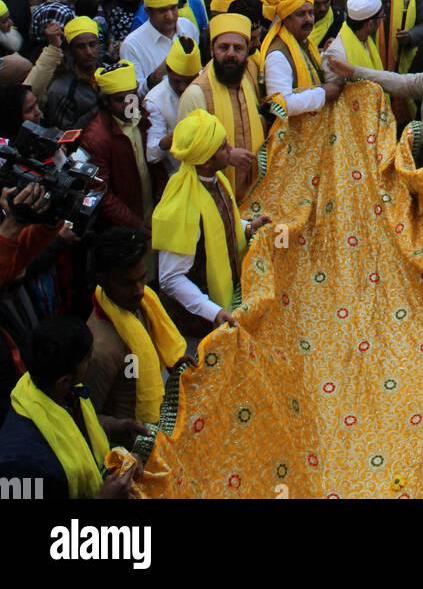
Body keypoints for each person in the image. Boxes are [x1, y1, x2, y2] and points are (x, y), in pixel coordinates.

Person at [153, 110, 271, 341]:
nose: (230, 149)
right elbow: (170, 278)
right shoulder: (182, 207)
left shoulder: (216, 179)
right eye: (223, 146)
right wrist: (212, 311)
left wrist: (248, 226)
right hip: (198, 321)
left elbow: (217, 222)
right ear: (206, 160)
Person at [0, 315, 139, 499]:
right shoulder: (19, 462)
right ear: (64, 381)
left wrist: (119, 430)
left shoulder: (64, 392)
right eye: (87, 361)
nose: (91, 364)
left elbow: (80, 437)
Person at [87, 228, 186, 425]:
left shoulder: (142, 303)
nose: (140, 291)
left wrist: (176, 362)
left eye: (143, 279)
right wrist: (121, 427)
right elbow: (86, 417)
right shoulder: (101, 350)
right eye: (128, 283)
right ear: (102, 280)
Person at [177, 13, 264, 200]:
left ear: (247, 51)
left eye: (238, 48)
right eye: (223, 47)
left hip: (253, 194)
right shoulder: (196, 94)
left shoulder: (245, 82)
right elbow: (187, 153)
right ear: (211, 50)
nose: (231, 54)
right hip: (213, 199)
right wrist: (227, 154)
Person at [79, 60, 153, 231]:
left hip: (153, 213)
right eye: (120, 100)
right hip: (126, 229)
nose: (129, 104)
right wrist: (137, 225)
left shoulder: (142, 117)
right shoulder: (96, 138)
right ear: (106, 101)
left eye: (132, 96)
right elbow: (101, 193)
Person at [259, 0, 341, 118]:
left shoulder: (304, 42)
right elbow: (280, 105)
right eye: (301, 14)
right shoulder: (277, 56)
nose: (308, 19)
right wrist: (323, 94)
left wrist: (324, 55)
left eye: (310, 13)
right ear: (286, 19)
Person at [144, 35, 201, 180]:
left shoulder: (205, 83)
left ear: (197, 74)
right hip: (180, 179)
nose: (182, 87)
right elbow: (152, 154)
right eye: (176, 81)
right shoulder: (154, 100)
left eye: (189, 82)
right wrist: (173, 137)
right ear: (168, 71)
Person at [120, 0, 183, 93]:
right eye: (162, 10)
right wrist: (159, 73)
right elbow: (135, 95)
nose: (170, 16)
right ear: (148, 11)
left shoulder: (188, 27)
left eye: (173, 8)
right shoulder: (131, 46)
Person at [43, 15, 102, 134]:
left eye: (92, 44)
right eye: (81, 47)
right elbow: (64, 137)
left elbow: (132, 114)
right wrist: (98, 108)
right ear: (70, 50)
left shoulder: (112, 72)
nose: (89, 52)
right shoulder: (60, 90)